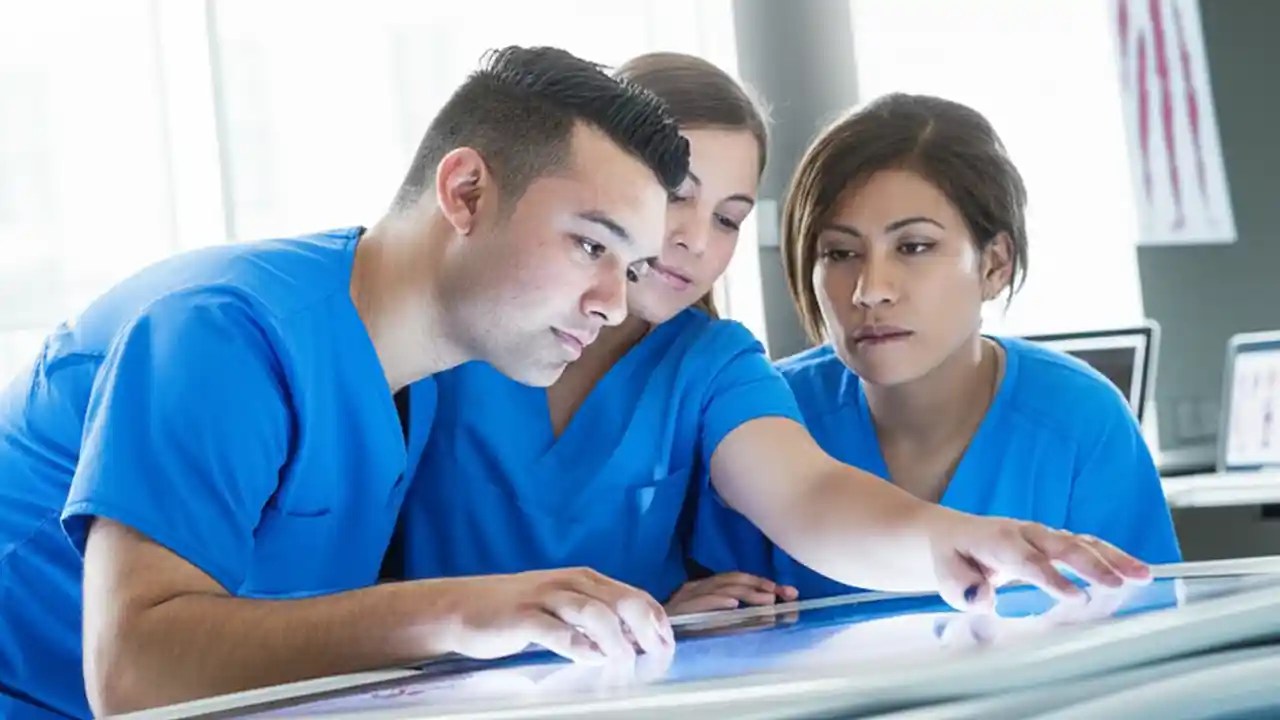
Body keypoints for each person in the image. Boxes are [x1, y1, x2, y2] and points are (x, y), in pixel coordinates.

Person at [0, 46, 689, 718]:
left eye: (629, 268)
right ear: (466, 192)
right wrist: (461, 611)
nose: (613, 304)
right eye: (592, 245)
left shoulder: (422, 389)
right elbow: (131, 672)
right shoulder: (224, 332)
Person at [395, 55, 1151, 627]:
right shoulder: (458, 329)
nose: (691, 240)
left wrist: (952, 543)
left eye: (728, 218)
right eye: (674, 197)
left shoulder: (714, 366)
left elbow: (809, 493)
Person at [694, 93, 1180, 601]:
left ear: (994, 265)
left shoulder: (1080, 418)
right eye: (839, 253)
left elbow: (1148, 627)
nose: (870, 289)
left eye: (914, 247)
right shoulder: (759, 420)